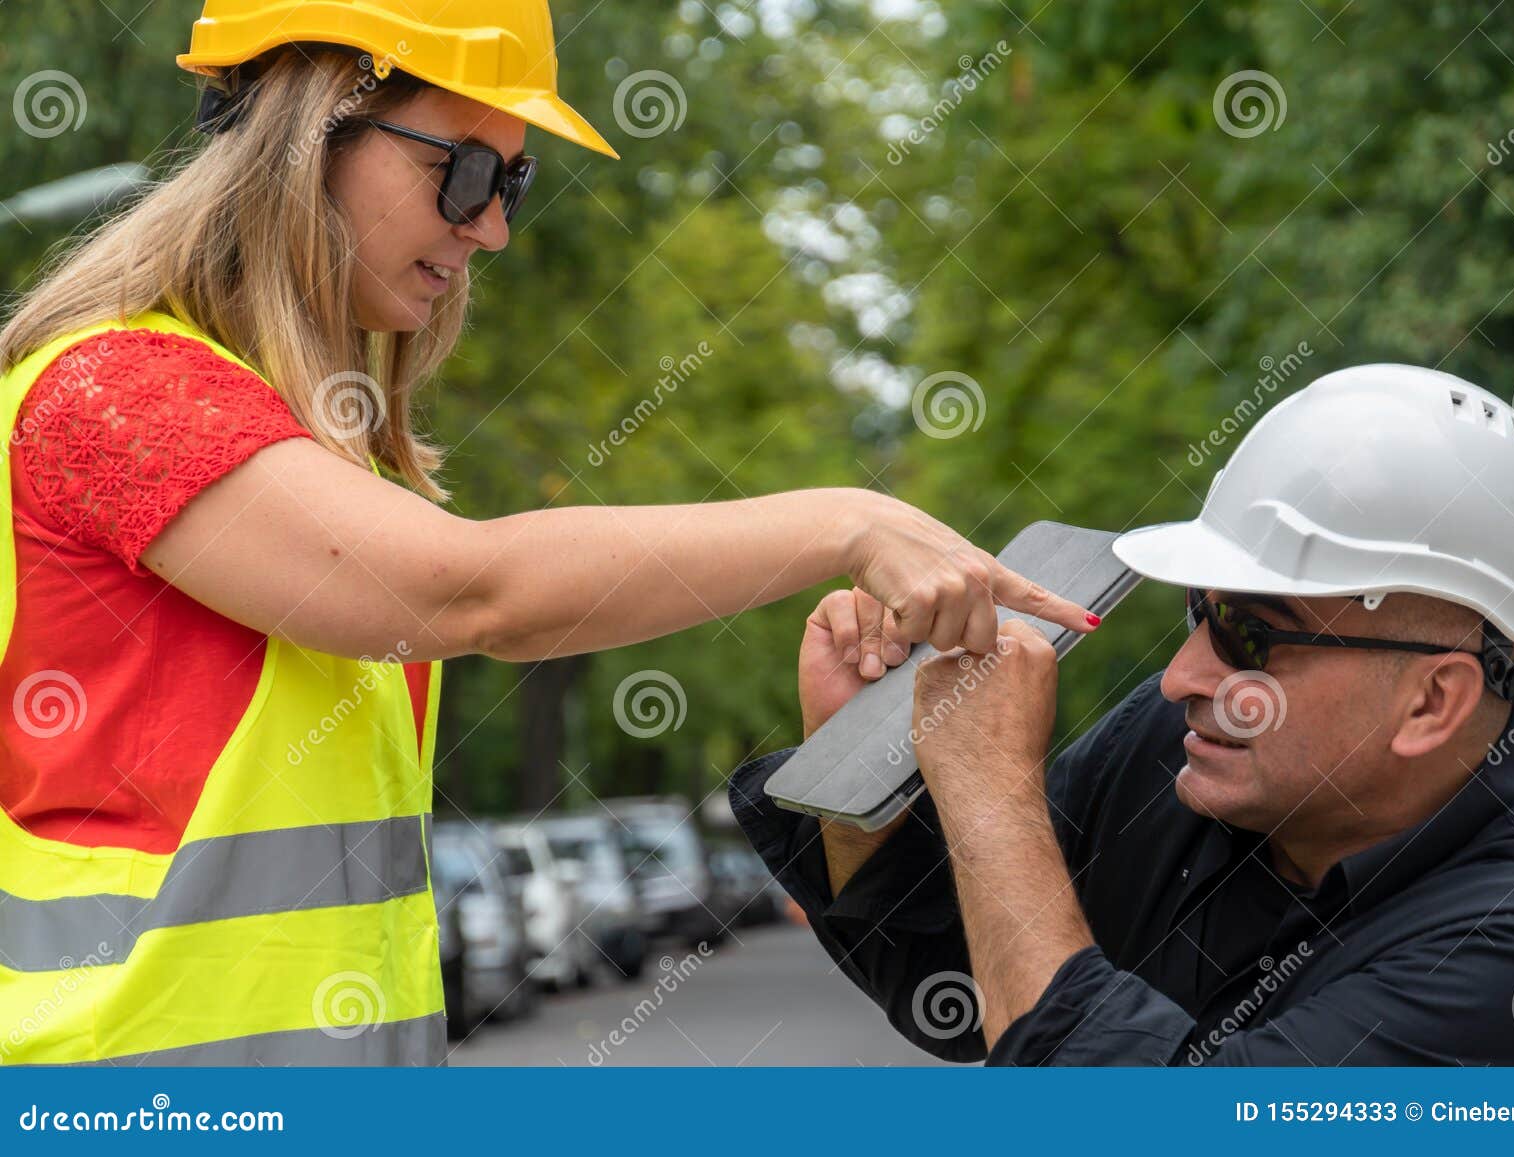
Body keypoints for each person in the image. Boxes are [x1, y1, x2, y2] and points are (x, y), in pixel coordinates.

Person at [0, 1, 1096, 1066]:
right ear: (316, 123)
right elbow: (478, 593)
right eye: (467, 171)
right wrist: (850, 519)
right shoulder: (117, 390)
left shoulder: (299, 450)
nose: (494, 227)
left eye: (512, 180)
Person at [732, 364, 1514, 1065]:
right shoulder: (1175, 749)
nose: (1183, 674)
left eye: (1250, 635)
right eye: (1199, 609)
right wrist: (860, 760)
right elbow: (964, 986)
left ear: (1431, 700)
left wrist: (995, 796)